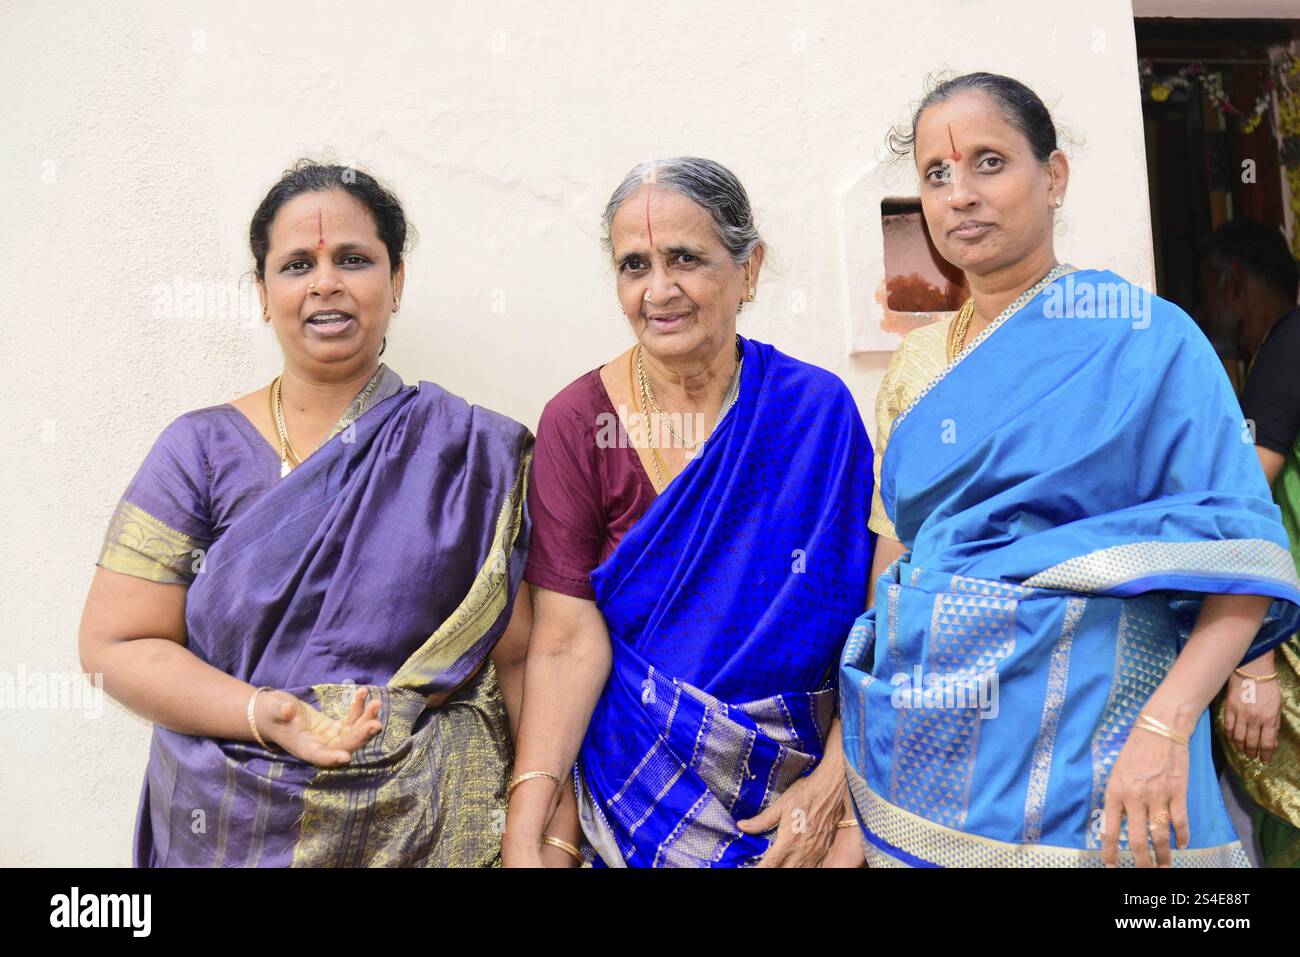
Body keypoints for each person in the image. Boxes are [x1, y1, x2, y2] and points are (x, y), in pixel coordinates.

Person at [840, 73, 1300, 867]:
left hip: (1118, 751)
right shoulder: (917, 367)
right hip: (941, 759)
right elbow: (902, 561)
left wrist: (1168, 726)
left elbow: (1246, 557)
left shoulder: (1147, 340)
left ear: (1052, 177)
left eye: (989, 162)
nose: (959, 196)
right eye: (937, 175)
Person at [79, 161, 534, 867]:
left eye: (353, 259)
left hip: (421, 830)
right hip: (225, 830)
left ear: (397, 283)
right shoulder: (198, 452)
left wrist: (541, 825)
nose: (326, 281)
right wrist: (268, 714)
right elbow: (115, 645)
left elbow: (521, 659)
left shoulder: (472, 454)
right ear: (263, 293)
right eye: (297, 264)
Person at [503, 157, 874, 867]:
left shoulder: (813, 412)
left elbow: (869, 625)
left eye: (685, 259)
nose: (658, 290)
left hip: (799, 790)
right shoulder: (579, 422)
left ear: (749, 267)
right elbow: (564, 641)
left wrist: (836, 786)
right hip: (634, 793)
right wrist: (531, 819)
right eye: (634, 265)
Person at [1207, 218, 1300, 867]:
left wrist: (1254, 655)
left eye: (1210, 294)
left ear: (1234, 283)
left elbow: (1241, 494)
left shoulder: (1287, 347)